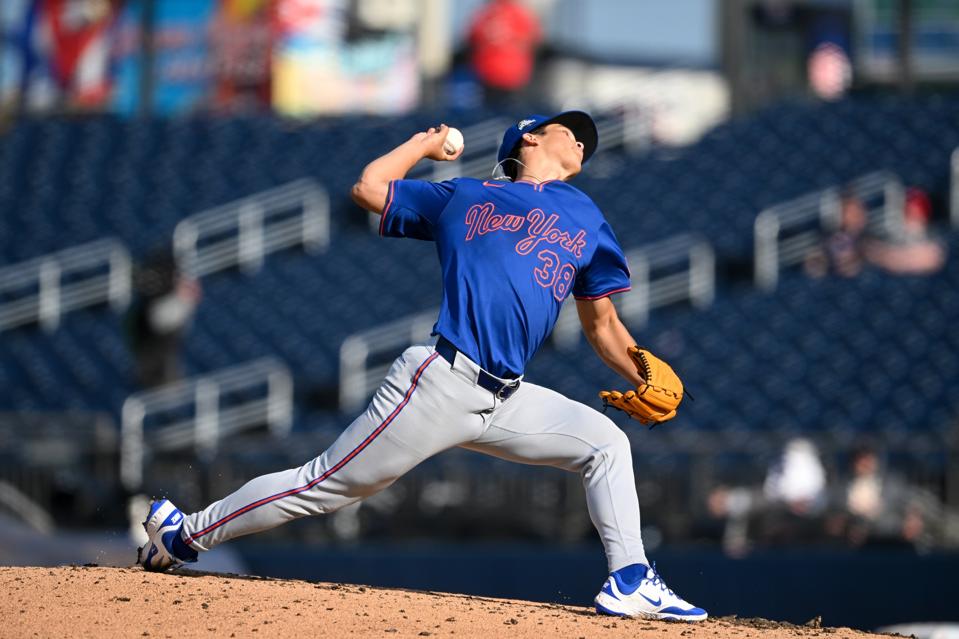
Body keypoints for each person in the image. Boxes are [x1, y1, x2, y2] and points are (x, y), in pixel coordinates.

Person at [137, 112, 707, 621]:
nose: (582, 141)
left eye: (587, 139)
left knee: (607, 445)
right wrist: (422, 145)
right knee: (323, 486)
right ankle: (184, 534)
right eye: (570, 129)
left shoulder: (585, 214)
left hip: (506, 397)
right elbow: (368, 188)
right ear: (531, 138)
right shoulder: (467, 194)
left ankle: (630, 580)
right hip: (442, 381)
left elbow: (602, 325)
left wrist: (641, 371)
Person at [125, 250, 202, 389]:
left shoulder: (176, 303)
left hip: (160, 351)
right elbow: (157, 320)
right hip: (152, 350)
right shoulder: (155, 305)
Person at [466, 0, 542, 107]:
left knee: (491, 109)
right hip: (509, 73)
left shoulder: (485, 13)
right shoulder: (519, 13)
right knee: (512, 110)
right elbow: (534, 40)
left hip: (492, 73)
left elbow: (472, 38)